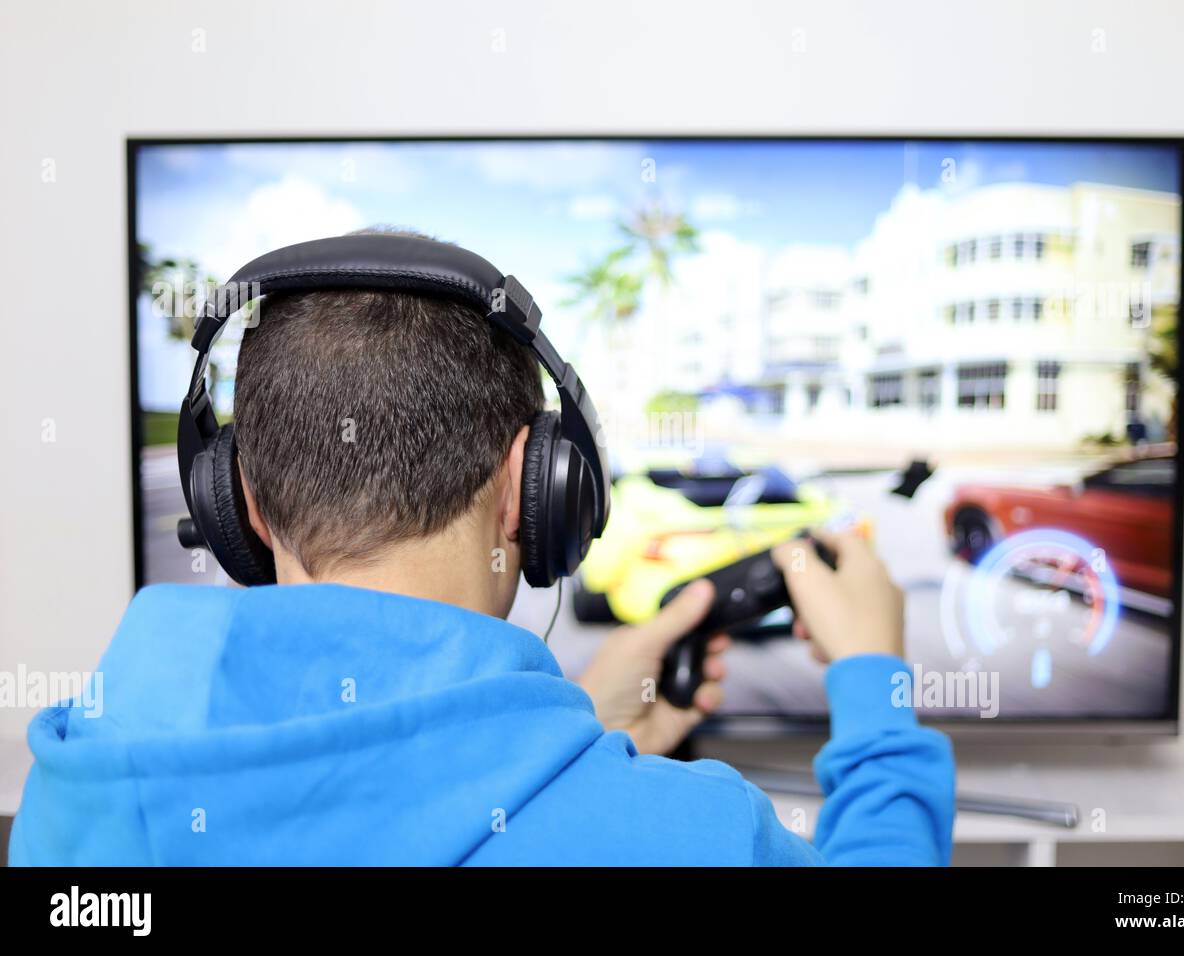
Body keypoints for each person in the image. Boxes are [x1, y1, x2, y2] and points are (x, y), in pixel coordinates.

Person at [9, 229, 954, 866]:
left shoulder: (73, 799)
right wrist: (876, 689)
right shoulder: (695, 834)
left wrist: (565, 732)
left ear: (236, 500)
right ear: (530, 488)